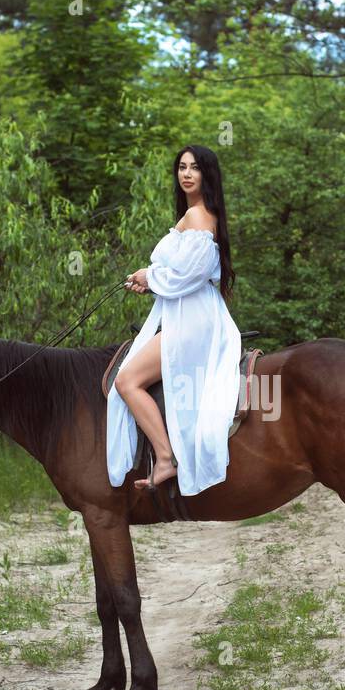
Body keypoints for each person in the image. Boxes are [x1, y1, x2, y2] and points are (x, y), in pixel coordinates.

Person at [106, 145, 243, 496]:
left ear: (206, 174)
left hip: (193, 319)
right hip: (188, 313)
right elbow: (180, 274)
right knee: (129, 378)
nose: (186, 174)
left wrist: (150, 277)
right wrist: (148, 279)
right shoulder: (197, 214)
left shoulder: (199, 216)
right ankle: (163, 454)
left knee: (127, 381)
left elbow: (187, 278)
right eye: (181, 167)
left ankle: (166, 458)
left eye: (194, 168)